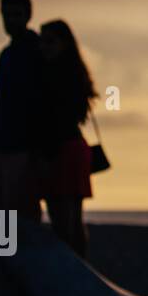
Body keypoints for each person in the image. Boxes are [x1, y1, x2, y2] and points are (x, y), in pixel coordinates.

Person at [35, 19, 97, 255]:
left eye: (50, 42)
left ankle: (72, 271)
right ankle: (81, 270)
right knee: (72, 218)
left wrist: (45, 156)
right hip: (75, 149)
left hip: (61, 152)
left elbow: (54, 121)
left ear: (64, 44)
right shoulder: (75, 75)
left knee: (62, 220)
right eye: (43, 42)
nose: (44, 47)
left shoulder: (56, 77)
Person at [0, 0, 43, 219]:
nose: (11, 21)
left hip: (25, 149)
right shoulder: (6, 55)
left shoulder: (37, 50)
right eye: (7, 15)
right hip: (4, 146)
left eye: (16, 15)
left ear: (28, 15)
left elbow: (41, 103)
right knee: (3, 214)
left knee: (22, 216)